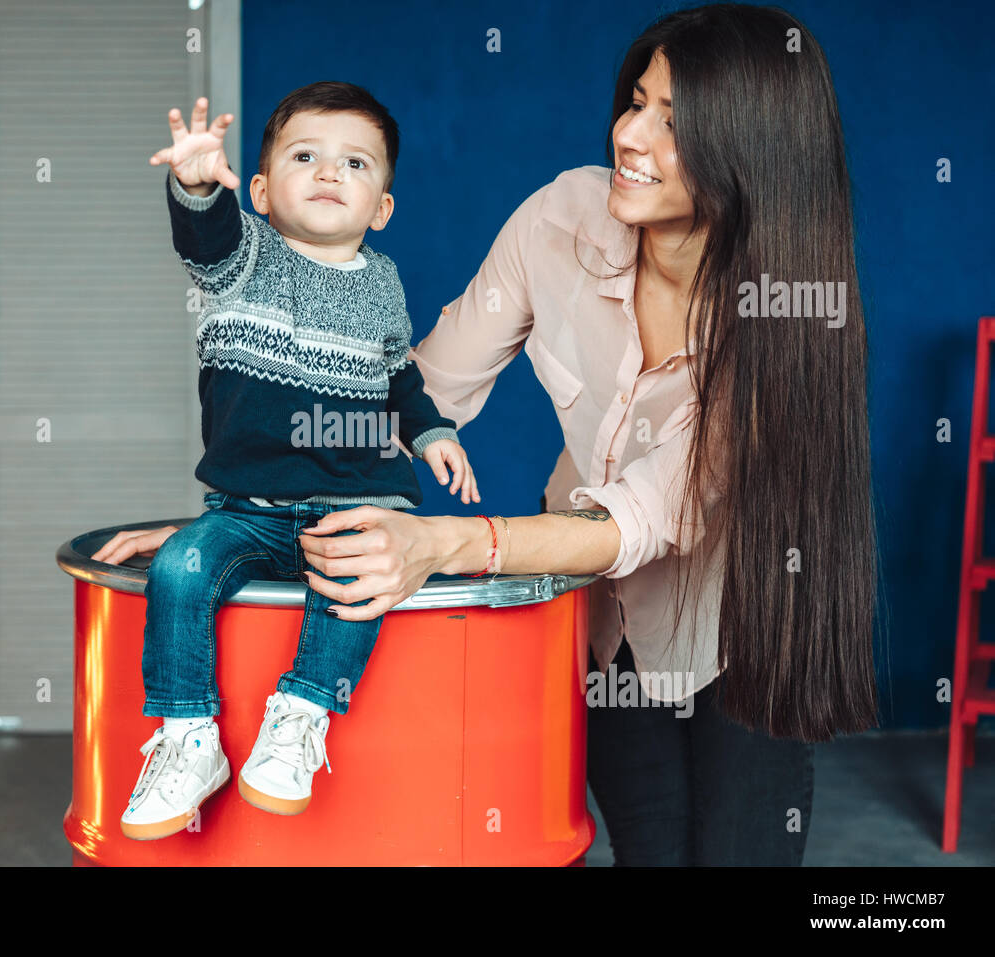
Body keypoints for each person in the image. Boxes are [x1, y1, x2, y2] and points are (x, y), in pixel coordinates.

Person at [102, 3, 883, 864]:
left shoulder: (779, 325)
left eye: (674, 122)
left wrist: (441, 542)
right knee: (649, 849)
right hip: (603, 625)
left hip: (743, 632)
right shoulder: (562, 218)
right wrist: (251, 517)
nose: (630, 134)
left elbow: (642, 519)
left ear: (754, 154)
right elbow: (422, 389)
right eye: (637, 101)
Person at [93, 82, 480, 841]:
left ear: (382, 208)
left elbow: (398, 374)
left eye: (356, 164)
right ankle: (186, 733)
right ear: (264, 191)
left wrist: (433, 432)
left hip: (357, 502)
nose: (330, 173)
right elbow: (201, 236)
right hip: (248, 510)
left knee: (355, 579)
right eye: (307, 157)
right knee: (181, 567)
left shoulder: (385, 283)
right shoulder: (244, 258)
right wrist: (197, 184)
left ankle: (301, 716)